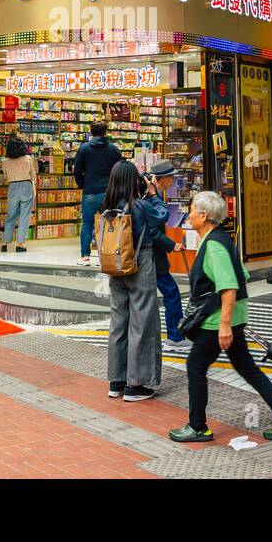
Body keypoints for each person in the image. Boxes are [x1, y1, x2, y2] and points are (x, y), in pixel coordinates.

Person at [169, 191, 272, 443]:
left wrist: (224, 324)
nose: (188, 214)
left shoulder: (213, 246)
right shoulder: (220, 239)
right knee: (247, 368)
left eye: (191, 210)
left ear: (203, 215)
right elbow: (242, 273)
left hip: (218, 320)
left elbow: (229, 284)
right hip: (232, 317)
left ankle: (197, 427)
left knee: (195, 366)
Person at [102, 160, 169, 402]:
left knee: (118, 323)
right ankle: (137, 384)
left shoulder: (108, 207)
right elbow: (162, 216)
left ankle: (116, 381)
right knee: (142, 323)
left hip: (115, 266)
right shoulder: (139, 205)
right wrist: (154, 193)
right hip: (139, 265)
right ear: (134, 180)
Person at [145, 159, 187, 348]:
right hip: (153, 256)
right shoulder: (152, 197)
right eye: (172, 178)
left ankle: (173, 335)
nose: (174, 182)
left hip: (150, 255)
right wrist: (172, 245)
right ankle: (175, 336)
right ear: (165, 179)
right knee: (171, 293)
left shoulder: (150, 193)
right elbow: (153, 231)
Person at [74, 122, 123, 266]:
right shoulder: (113, 149)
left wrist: (82, 184)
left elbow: (77, 170)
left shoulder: (84, 149)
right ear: (105, 132)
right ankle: (108, 254)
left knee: (87, 223)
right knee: (110, 223)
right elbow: (119, 169)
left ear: (91, 131)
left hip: (90, 191)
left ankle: (85, 256)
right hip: (109, 192)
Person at [1, 135, 36, 253]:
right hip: (26, 185)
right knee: (24, 216)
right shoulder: (28, 158)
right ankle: (20, 244)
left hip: (13, 187)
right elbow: (33, 175)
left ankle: (5, 243)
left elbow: (5, 178)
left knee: (11, 215)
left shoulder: (5, 161)